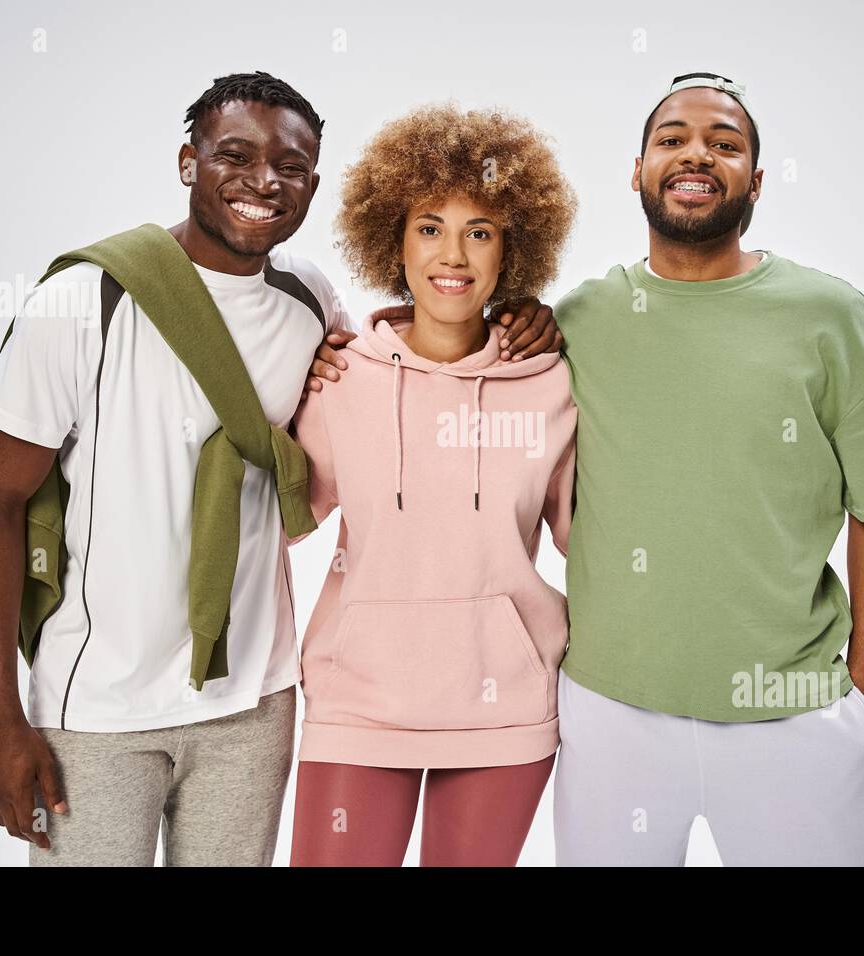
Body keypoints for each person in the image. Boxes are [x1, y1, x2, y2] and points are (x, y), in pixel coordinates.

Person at [0, 72, 561, 866]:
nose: (264, 182)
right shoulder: (83, 301)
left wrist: (527, 314)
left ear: (314, 181)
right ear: (187, 160)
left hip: (254, 705)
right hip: (97, 708)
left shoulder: (311, 302)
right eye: (234, 155)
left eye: (292, 166)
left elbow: (408, 366)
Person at [550, 73, 864, 866]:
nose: (697, 154)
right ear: (639, 169)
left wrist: (861, 696)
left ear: (754, 180)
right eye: (672, 138)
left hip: (794, 717)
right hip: (612, 712)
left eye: (726, 143)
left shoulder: (830, 314)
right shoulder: (581, 318)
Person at [287, 104, 578, 866]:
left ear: (512, 248)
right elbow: (281, 522)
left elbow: (594, 543)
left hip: (503, 711)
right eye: (429, 227)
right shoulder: (342, 376)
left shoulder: (552, 384)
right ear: (394, 239)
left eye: (480, 230)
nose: (454, 254)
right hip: (359, 704)